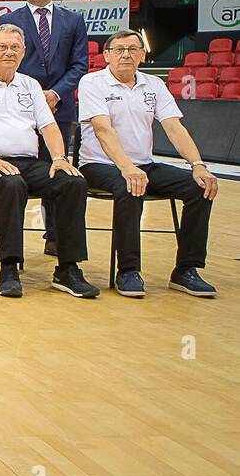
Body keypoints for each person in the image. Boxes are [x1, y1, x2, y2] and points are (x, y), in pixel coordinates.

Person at [0, 24, 99, 299]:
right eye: (3, 47)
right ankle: (9, 265)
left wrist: (59, 158)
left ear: (23, 53)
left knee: (73, 182)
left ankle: (68, 269)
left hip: (29, 161)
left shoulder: (30, 85)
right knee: (11, 184)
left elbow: (49, 126)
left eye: (15, 48)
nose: (9, 52)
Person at [77, 29, 218, 297]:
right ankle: (128, 270)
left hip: (144, 164)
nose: (126, 55)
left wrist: (198, 164)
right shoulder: (92, 82)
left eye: (133, 49)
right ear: (106, 55)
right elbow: (102, 130)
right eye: (119, 49)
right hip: (100, 165)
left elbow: (174, 128)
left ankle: (186, 269)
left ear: (142, 55)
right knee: (131, 186)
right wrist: (127, 168)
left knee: (200, 187)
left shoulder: (154, 85)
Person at [0, 0, 89, 254]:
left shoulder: (73, 20)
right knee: (17, 174)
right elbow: (7, 60)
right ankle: (9, 240)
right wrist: (34, 94)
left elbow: (79, 65)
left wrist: (55, 93)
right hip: (18, 108)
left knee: (56, 169)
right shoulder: (10, 20)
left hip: (58, 107)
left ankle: (55, 235)